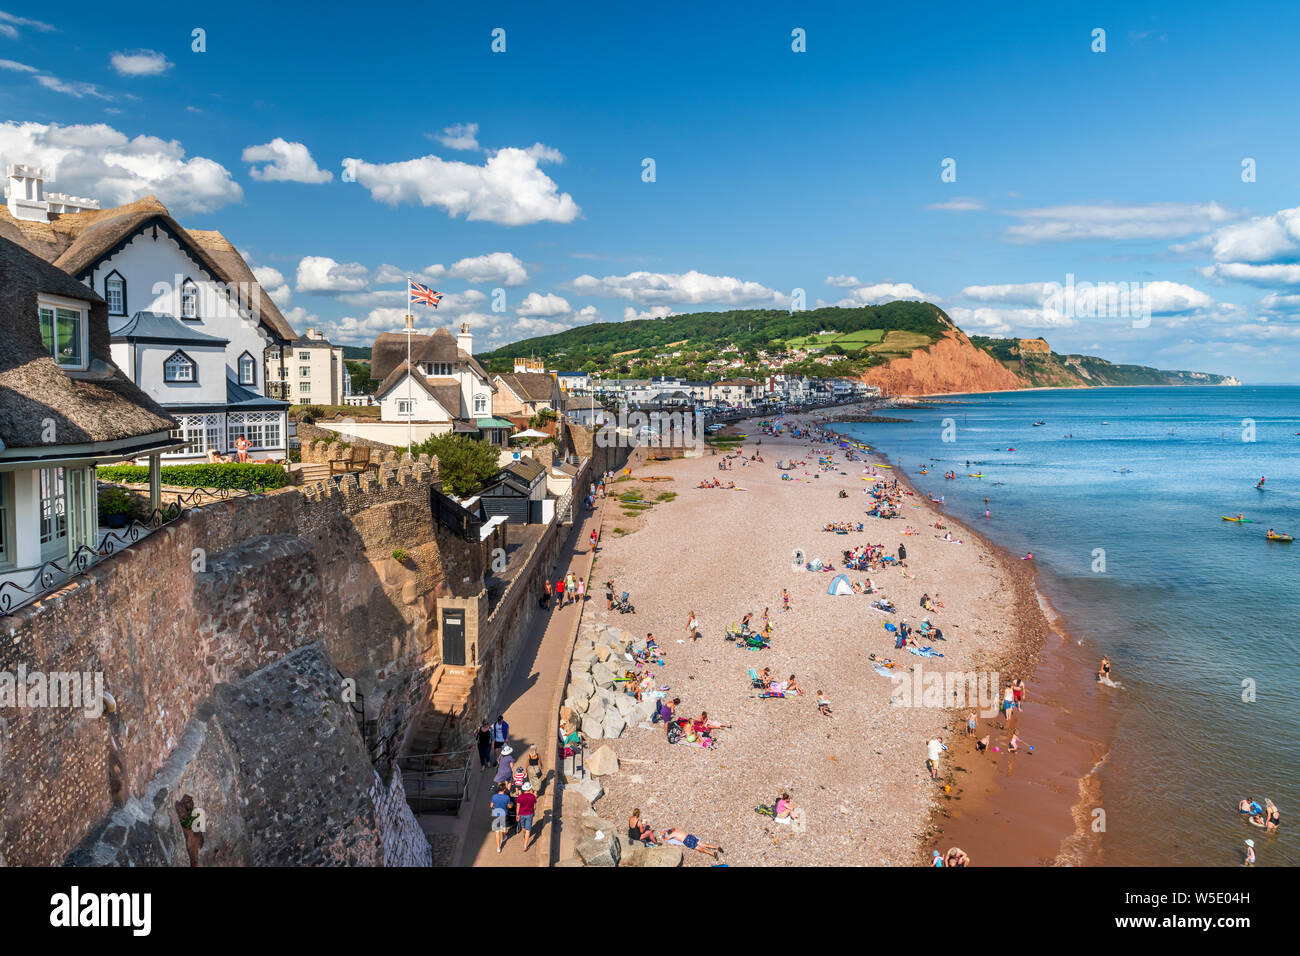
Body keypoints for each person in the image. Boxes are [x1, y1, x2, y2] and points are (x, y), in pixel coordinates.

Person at [516, 782, 537, 850]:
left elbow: (518, 807)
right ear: (530, 788)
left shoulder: (520, 797)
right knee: (528, 829)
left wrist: (517, 815)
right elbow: (534, 807)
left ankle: (525, 835)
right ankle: (525, 845)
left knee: (523, 827)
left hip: (521, 814)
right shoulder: (533, 796)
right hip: (529, 814)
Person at [490, 783, 510, 853]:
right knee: (503, 828)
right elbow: (509, 806)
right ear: (504, 789)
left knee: (497, 831)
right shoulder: (506, 797)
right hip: (504, 814)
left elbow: (491, 805)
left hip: (496, 813)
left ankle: (498, 848)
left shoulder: (494, 796)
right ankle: (504, 837)